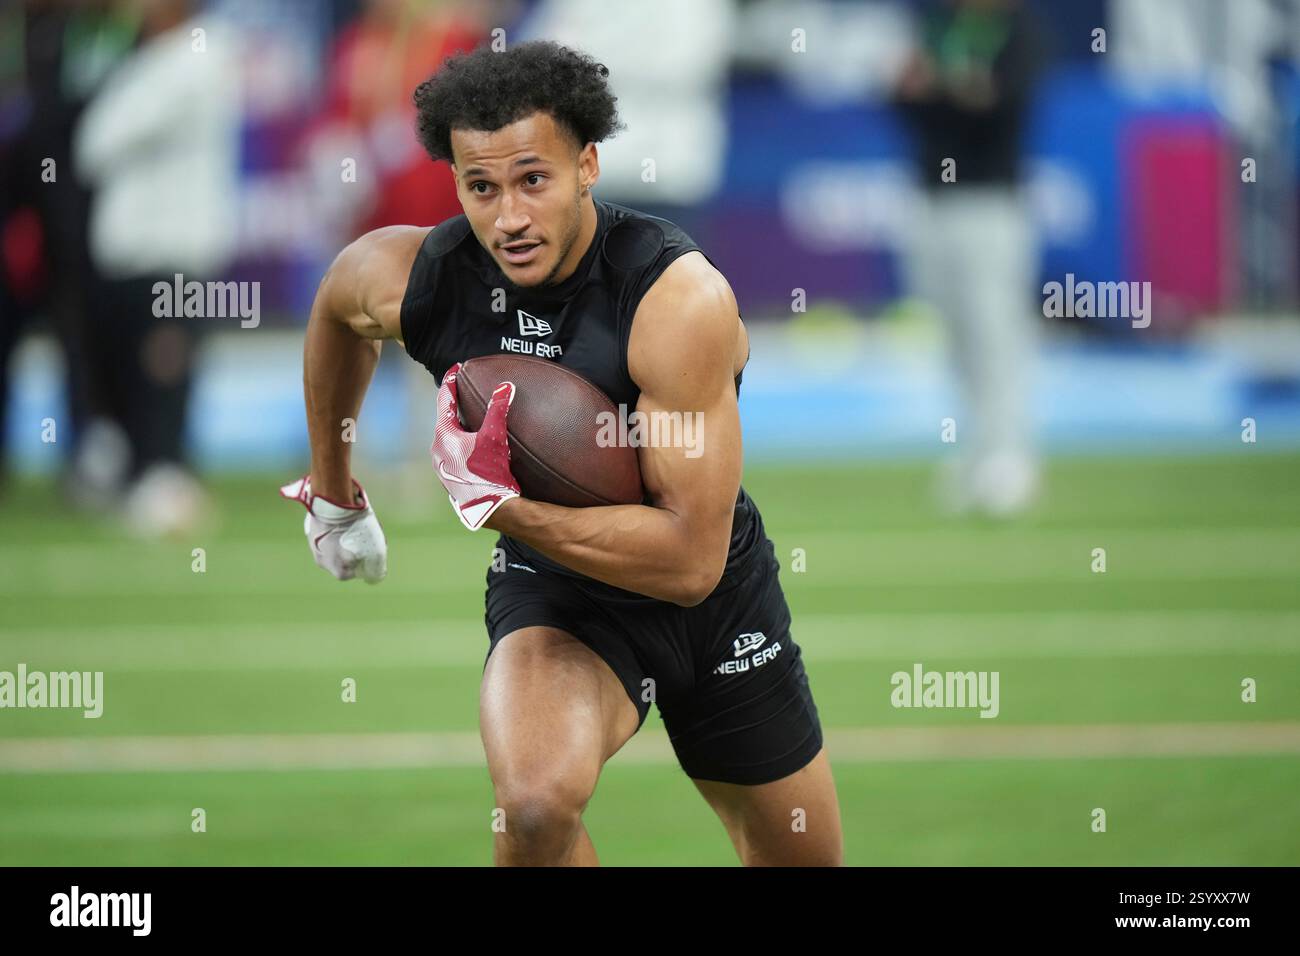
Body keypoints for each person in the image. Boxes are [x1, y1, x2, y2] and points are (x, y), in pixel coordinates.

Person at [280, 40, 843, 866]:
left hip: (714, 599)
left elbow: (690, 560)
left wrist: (504, 508)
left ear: (586, 165)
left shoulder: (673, 299)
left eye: (532, 180)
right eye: (481, 187)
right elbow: (337, 306)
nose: (508, 217)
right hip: (564, 601)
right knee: (535, 809)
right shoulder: (426, 280)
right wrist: (334, 494)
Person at [892, 0, 1045, 516]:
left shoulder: (1019, 33)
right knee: (955, 337)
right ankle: (976, 451)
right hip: (933, 201)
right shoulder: (939, 27)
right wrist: (917, 89)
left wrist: (954, 87)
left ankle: (1010, 456)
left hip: (992, 203)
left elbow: (1006, 105)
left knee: (995, 334)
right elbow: (906, 103)